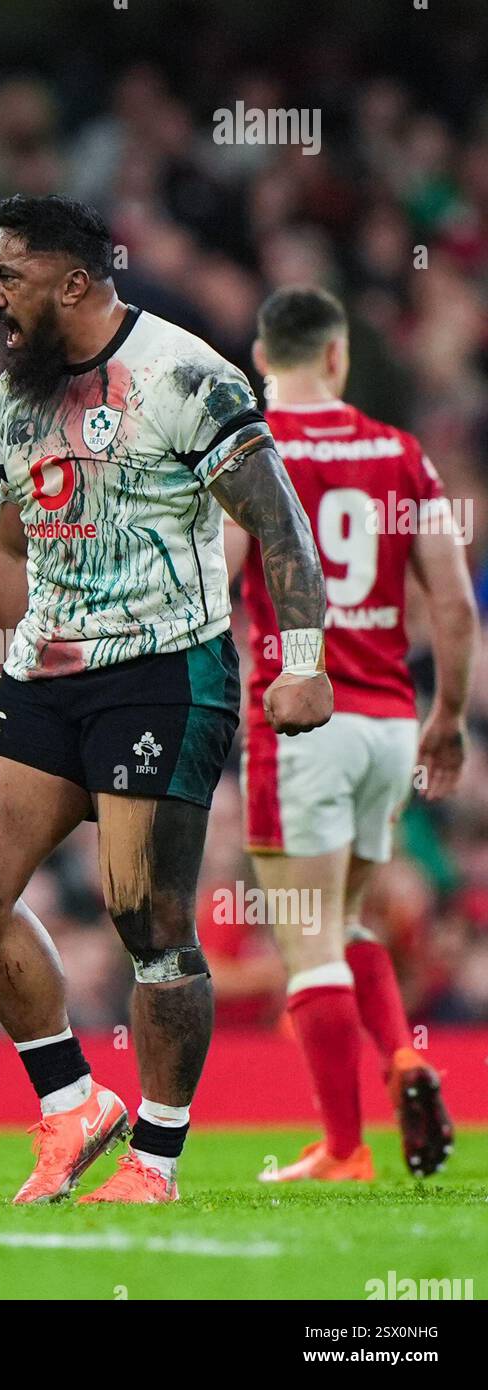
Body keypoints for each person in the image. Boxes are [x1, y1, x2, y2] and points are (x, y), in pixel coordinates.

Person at [0, 195, 331, 1205]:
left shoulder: (186, 377)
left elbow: (279, 522)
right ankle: (73, 1101)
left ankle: (154, 1162)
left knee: (147, 920)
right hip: (46, 673)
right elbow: (17, 532)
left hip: (163, 669)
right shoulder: (17, 397)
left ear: (74, 281)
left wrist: (304, 658)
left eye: (5, 279)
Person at [224, 285, 477, 1182]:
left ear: (264, 358)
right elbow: (451, 597)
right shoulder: (401, 452)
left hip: (300, 717)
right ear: (336, 357)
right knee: (343, 918)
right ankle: (404, 1060)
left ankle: (341, 1147)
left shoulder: (252, 447)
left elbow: (219, 582)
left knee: (307, 937)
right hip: (387, 725)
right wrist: (447, 717)